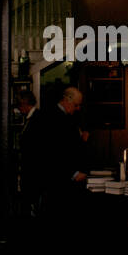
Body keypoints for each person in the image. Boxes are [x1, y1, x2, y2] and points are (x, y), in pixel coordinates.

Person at [32, 86, 89, 220]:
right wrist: (73, 173)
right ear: (67, 100)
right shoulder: (54, 118)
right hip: (57, 182)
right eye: (76, 105)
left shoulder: (56, 115)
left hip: (59, 179)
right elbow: (53, 153)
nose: (77, 108)